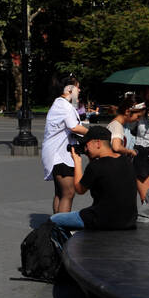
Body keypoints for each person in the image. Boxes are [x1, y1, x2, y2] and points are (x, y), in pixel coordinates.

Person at [48, 126, 139, 231]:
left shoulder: (96, 166)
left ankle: (66, 242)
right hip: (128, 221)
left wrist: (77, 162)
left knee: (55, 218)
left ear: (98, 143)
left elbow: (79, 189)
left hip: (102, 220)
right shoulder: (126, 161)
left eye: (86, 144)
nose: (85, 149)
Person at [42, 76, 88, 213]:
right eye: (77, 87)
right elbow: (74, 127)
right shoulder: (64, 106)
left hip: (57, 154)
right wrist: (94, 133)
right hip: (60, 156)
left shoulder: (61, 104)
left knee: (60, 193)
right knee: (68, 193)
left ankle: (56, 226)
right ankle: (62, 228)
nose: (79, 90)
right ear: (69, 89)